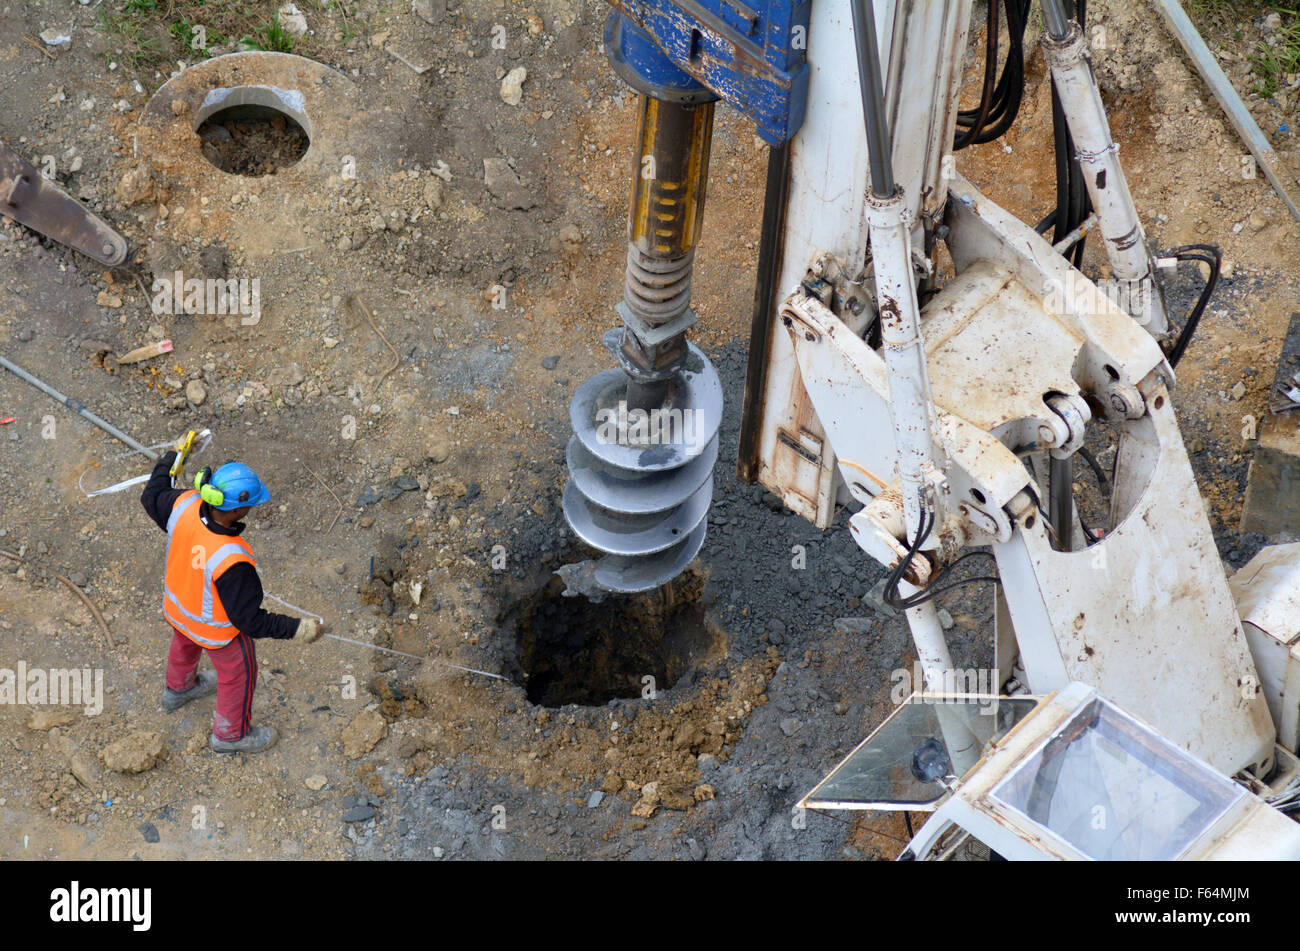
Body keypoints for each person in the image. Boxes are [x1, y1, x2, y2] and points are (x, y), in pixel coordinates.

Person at [141, 446, 326, 753]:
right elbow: (250, 621)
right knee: (239, 674)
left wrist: (171, 458)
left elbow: (151, 495)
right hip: (218, 632)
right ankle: (230, 735)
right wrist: (297, 628)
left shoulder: (182, 503)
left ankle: (178, 690)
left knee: (184, 645)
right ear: (239, 510)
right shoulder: (232, 559)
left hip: (179, 611)